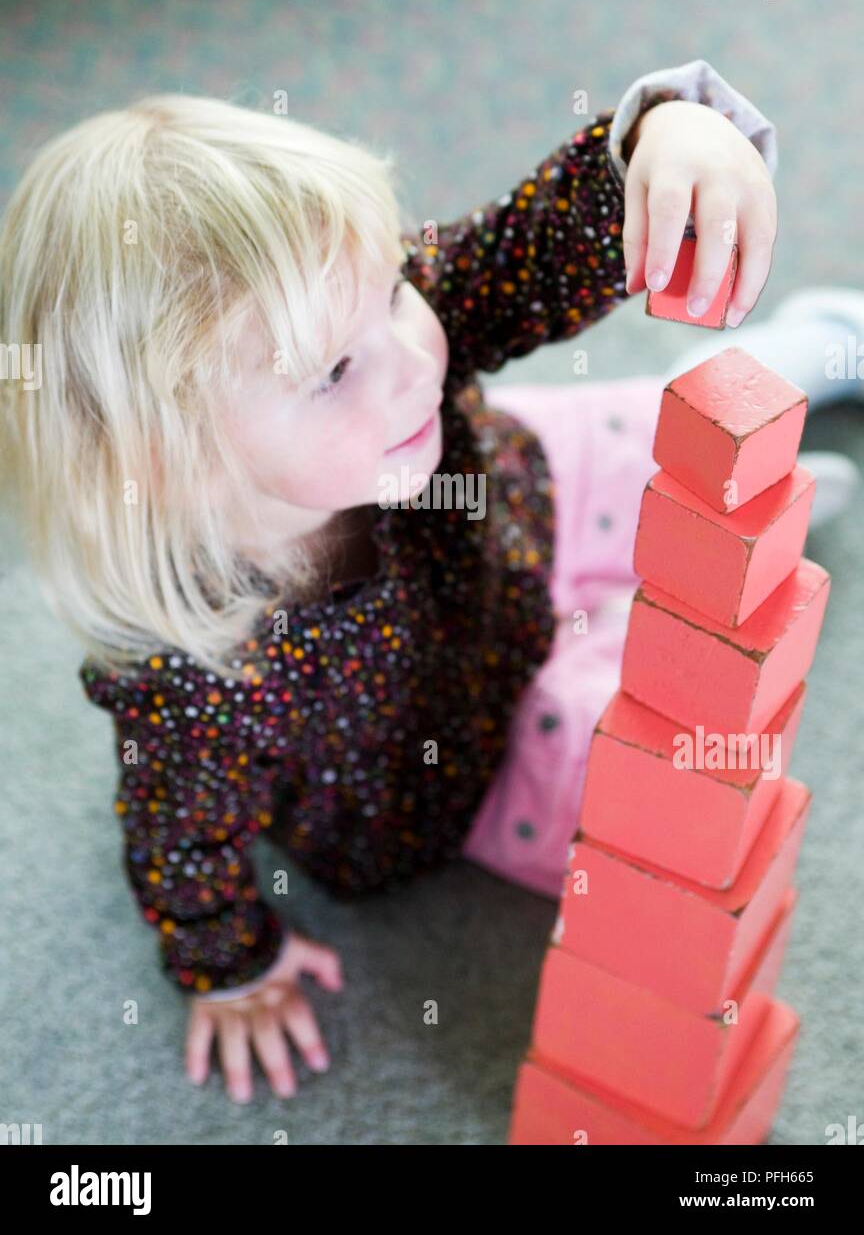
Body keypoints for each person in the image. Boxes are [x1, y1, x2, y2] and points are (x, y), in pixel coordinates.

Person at [0, 61, 856, 1106]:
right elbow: (181, 839)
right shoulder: (192, 684)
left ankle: (795, 359)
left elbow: (522, 249)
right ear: (173, 463)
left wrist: (659, 139)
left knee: (686, 416)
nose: (411, 358)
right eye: (332, 372)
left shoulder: (389, 360)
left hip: (525, 497)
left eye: (397, 291)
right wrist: (227, 966)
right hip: (465, 760)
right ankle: (700, 559)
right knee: (652, 799)